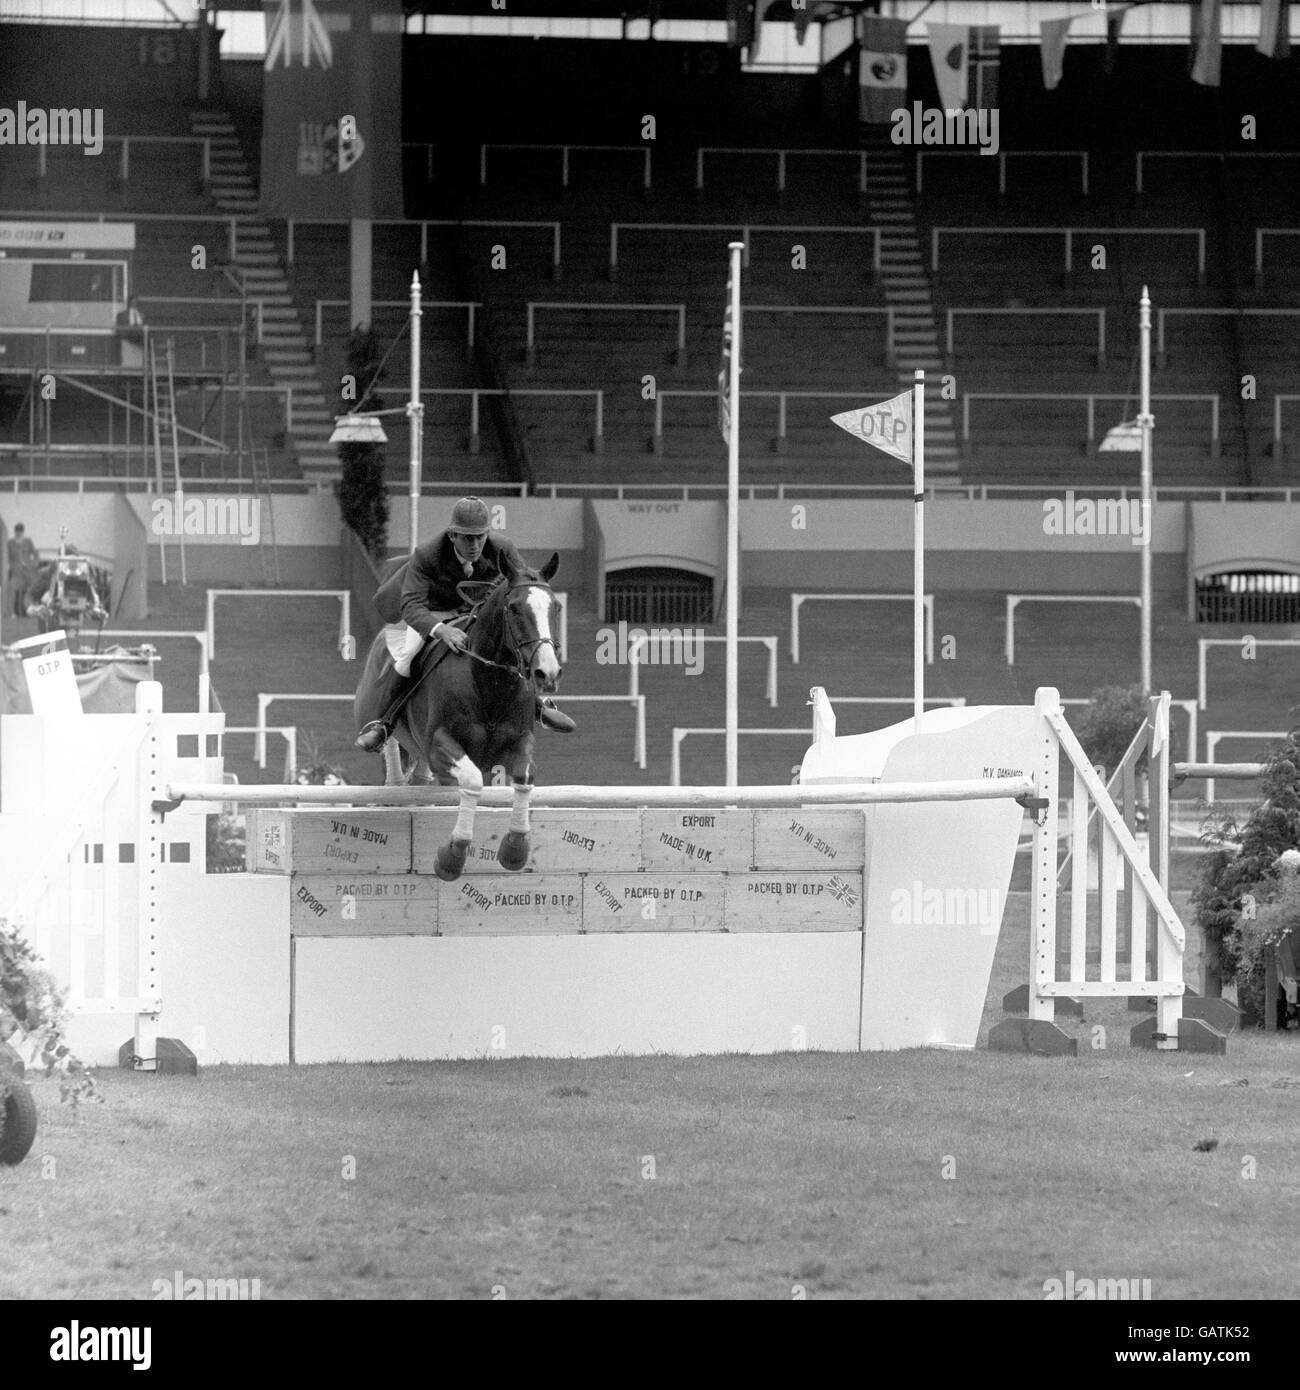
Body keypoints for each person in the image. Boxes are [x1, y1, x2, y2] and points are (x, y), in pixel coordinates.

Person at [355, 496, 574, 751]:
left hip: (476, 610)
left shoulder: (502, 547)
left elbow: (521, 588)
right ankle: (384, 724)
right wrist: (442, 630)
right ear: (452, 535)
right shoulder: (427, 554)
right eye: (467, 537)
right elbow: (411, 606)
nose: (475, 544)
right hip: (433, 610)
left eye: (480, 536)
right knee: (407, 655)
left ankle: (538, 705)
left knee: (510, 643)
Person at [6, 523, 38, 618]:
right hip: (16, 573)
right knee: (11, 590)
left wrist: (32, 564)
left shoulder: (28, 541)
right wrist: (11, 566)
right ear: (15, 531)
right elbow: (7, 557)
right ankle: (11, 613)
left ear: (23, 531)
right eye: (17, 531)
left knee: (34, 589)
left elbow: (35, 554)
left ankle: (33, 611)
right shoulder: (10, 543)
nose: (19, 533)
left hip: (28, 572)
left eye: (20, 531)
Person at [115, 294, 145, 369]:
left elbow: (145, 327)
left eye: (136, 302)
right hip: (127, 338)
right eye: (132, 302)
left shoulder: (141, 315)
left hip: (139, 338)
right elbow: (119, 329)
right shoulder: (121, 315)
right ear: (129, 303)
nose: (134, 304)